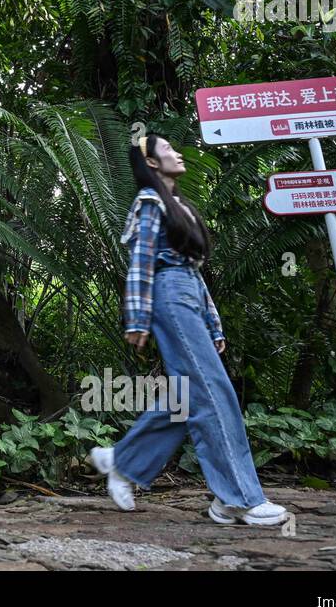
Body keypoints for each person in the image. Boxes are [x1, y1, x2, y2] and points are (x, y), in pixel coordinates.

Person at [88, 133, 289, 527]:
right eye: (166, 150)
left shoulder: (181, 206)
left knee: (188, 395)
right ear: (149, 163)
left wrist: (213, 322)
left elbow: (194, 273)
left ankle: (122, 461)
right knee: (214, 392)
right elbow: (142, 263)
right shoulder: (148, 204)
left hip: (188, 296)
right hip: (167, 297)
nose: (176, 154)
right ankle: (239, 498)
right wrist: (137, 318)